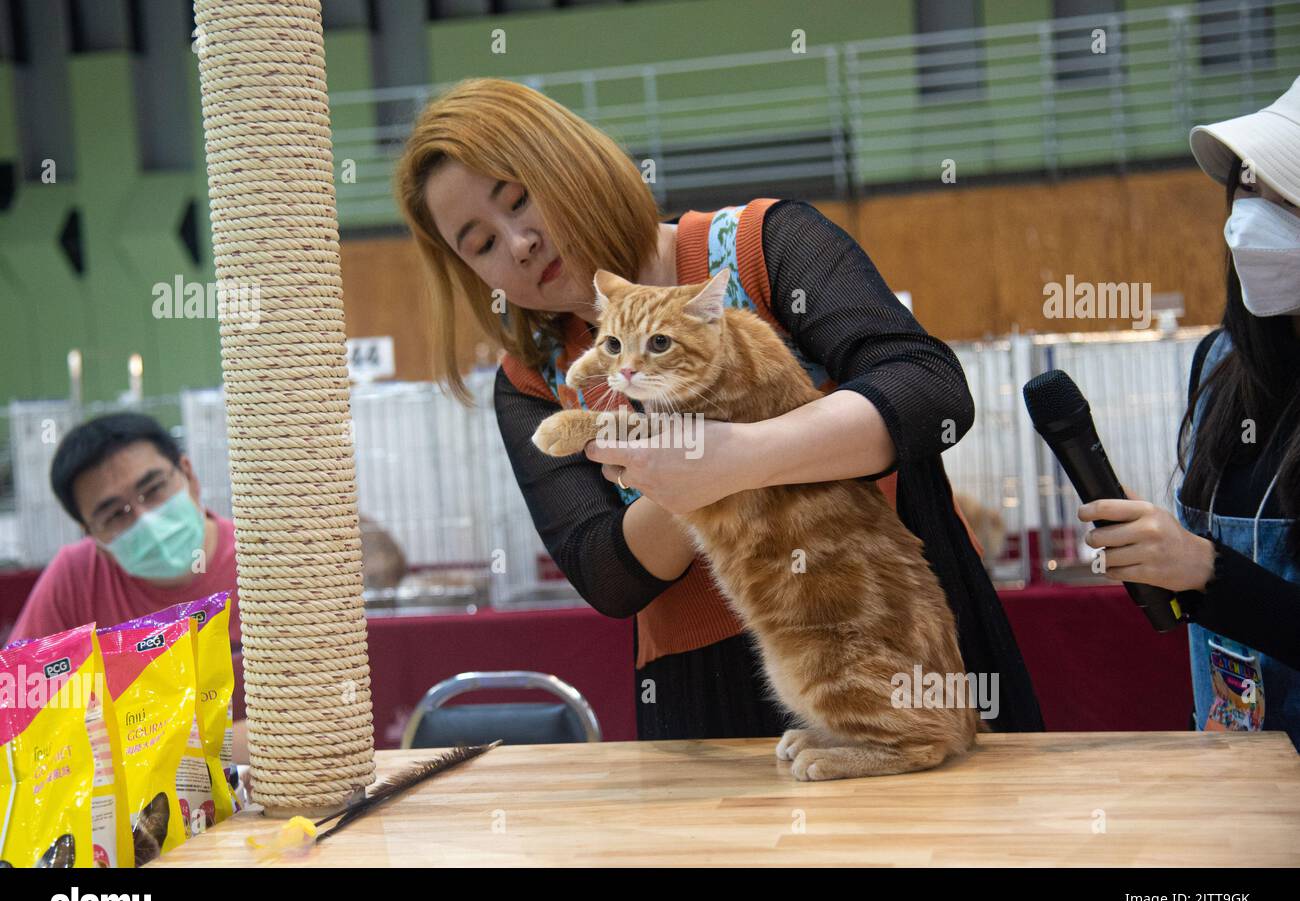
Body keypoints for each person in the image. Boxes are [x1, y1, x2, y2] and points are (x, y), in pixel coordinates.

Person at [395, 77, 1045, 738]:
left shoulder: (761, 248)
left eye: (519, 198)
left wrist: (733, 458)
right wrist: (689, 471)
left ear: (573, 164)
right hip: (710, 696)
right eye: (479, 244)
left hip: (889, 640)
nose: (519, 243)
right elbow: (607, 575)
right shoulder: (536, 379)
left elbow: (928, 389)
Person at [1078, 77, 1300, 747]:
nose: (1248, 214)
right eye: (1245, 184)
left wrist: (1204, 567)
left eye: (1280, 189)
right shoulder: (1221, 365)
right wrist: (1158, 559)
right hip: (1229, 756)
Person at [7, 412, 249, 762]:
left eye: (153, 490)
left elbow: (314, 718)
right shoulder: (75, 578)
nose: (145, 518)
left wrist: (156, 749)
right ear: (92, 535)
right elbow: (17, 715)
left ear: (189, 475)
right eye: (115, 514)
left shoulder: (260, 562)